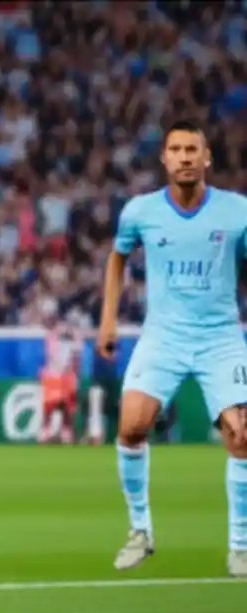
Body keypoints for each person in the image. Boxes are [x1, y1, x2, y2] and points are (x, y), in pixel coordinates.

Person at [97, 119, 247, 577]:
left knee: (241, 435)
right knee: (131, 428)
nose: (184, 156)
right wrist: (108, 318)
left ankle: (240, 545)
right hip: (162, 336)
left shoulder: (237, 211)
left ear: (207, 158)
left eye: (192, 149)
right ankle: (141, 530)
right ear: (164, 158)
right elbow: (118, 257)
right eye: (176, 149)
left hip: (221, 336)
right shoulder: (140, 211)